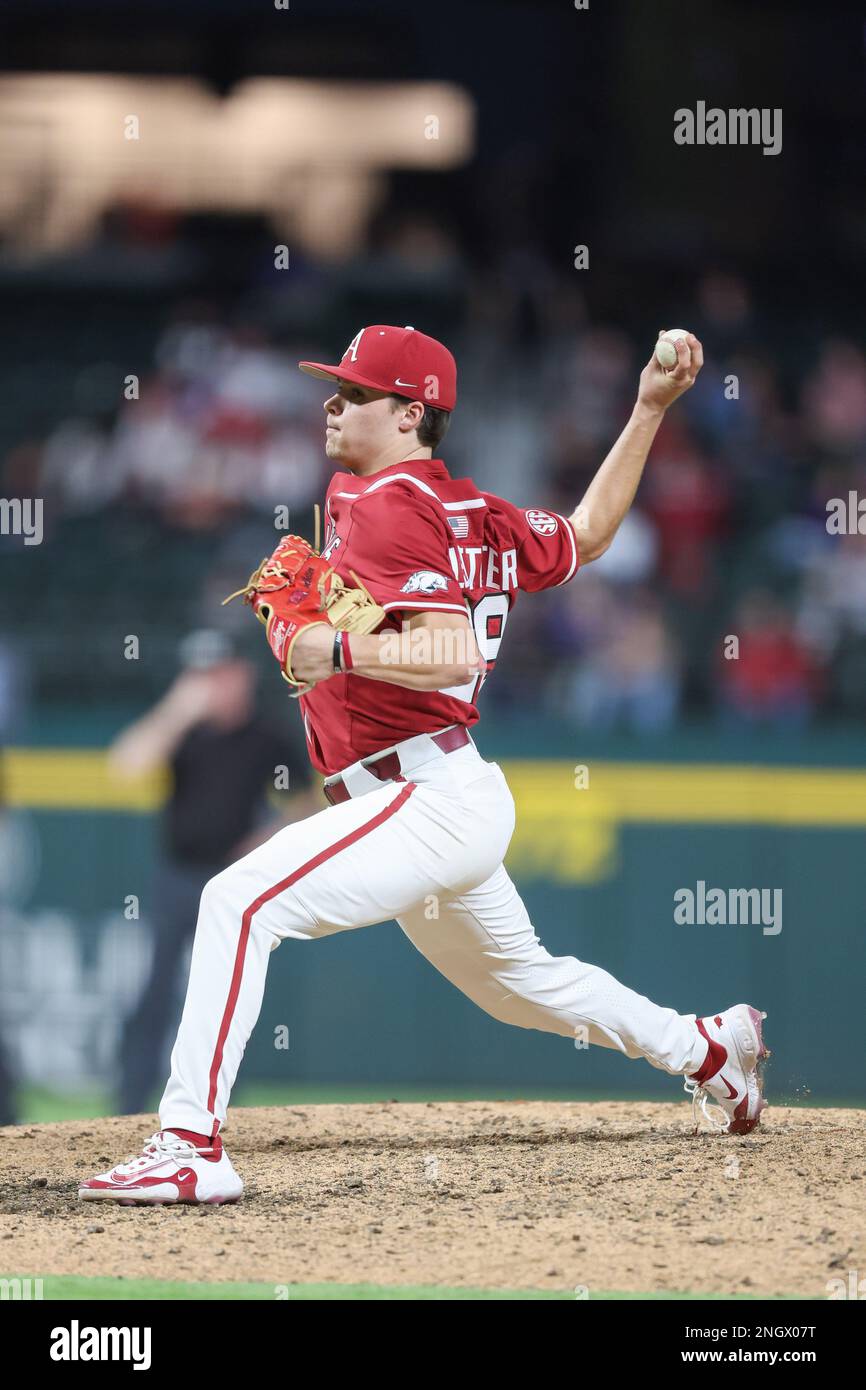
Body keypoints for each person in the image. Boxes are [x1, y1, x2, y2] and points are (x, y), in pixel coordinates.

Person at [80, 325, 768, 1206]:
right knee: (522, 984)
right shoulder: (469, 513)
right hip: (445, 790)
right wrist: (647, 409)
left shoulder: (392, 504)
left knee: (235, 901)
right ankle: (710, 1049)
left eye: (355, 393)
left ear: (410, 415)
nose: (333, 403)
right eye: (335, 389)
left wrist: (329, 649)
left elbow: (445, 652)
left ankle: (190, 1144)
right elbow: (590, 533)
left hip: (421, 791)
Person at [108, 629, 314, 1117]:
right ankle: (128, 1108)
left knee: (224, 996)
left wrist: (265, 839)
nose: (208, 685)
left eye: (217, 673)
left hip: (232, 883)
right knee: (155, 993)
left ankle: (220, 1109)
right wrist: (177, 711)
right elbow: (126, 765)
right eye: (200, 674)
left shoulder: (266, 735)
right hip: (176, 879)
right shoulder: (185, 733)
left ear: (241, 675)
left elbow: (308, 805)